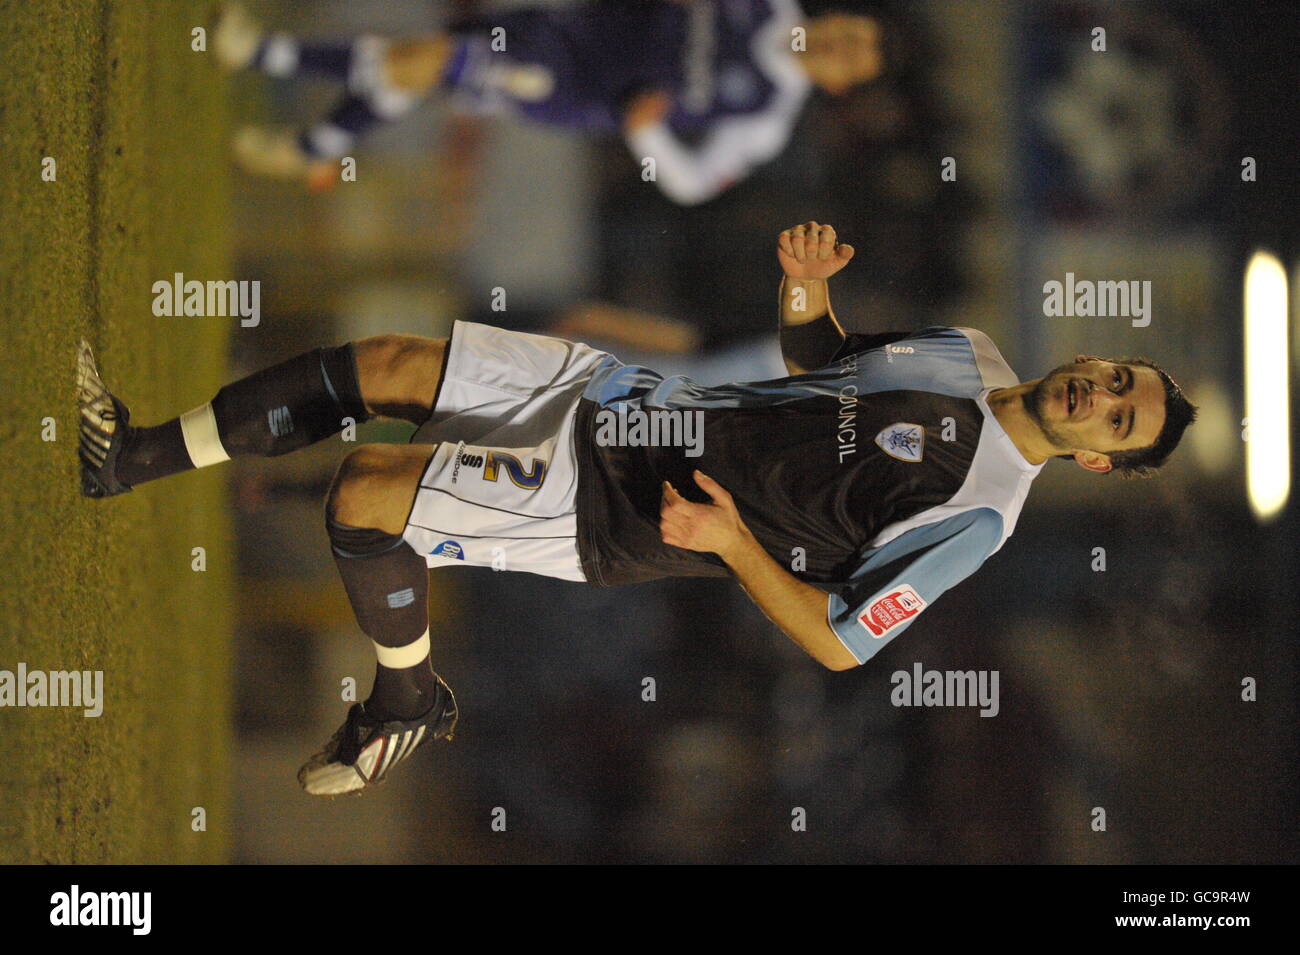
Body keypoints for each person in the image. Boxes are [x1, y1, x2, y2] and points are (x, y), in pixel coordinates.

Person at [76, 222, 1197, 795]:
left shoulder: (984, 513)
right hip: (635, 398)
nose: (1099, 396)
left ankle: (405, 694)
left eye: (1116, 419)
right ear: (1097, 356)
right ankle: (125, 458)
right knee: (388, 359)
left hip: (612, 507)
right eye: (1116, 378)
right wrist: (805, 290)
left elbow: (840, 638)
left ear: (1099, 462)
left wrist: (730, 541)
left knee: (365, 493)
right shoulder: (974, 349)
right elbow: (823, 363)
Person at [215, 1, 884, 203]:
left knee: (436, 61)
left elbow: (694, 183)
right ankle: (311, 148)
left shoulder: (765, 117)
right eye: (848, 31)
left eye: (847, 56)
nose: (837, 43)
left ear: (837, 85)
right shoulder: (767, 4)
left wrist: (647, 134)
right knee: (419, 62)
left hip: (570, 90)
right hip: (568, 27)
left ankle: (258, 53)